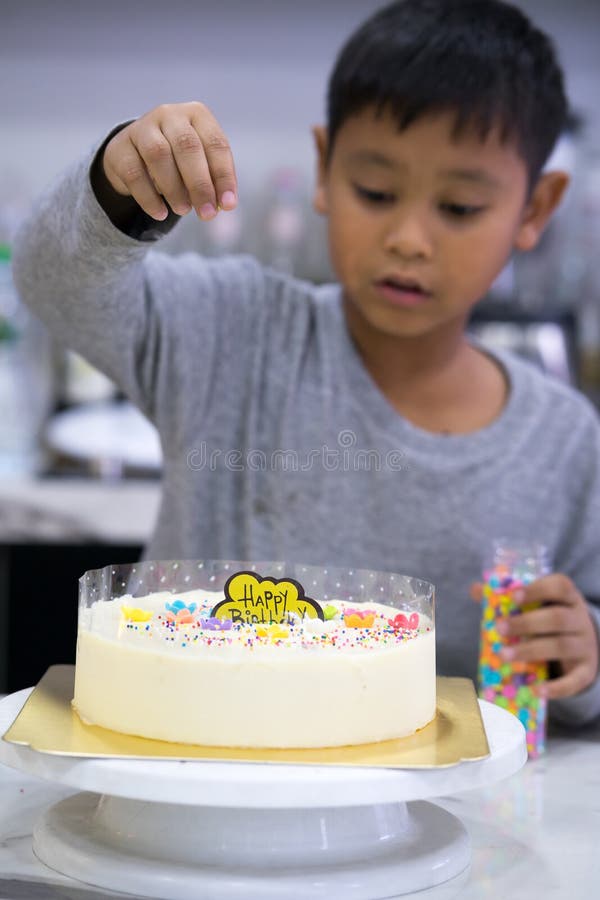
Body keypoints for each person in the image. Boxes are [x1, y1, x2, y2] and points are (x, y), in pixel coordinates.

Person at [12, 0, 600, 725]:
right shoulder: (233, 330)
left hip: (428, 825)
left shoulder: (567, 444)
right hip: (194, 783)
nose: (410, 238)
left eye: (460, 206)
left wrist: (583, 651)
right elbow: (51, 281)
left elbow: (575, 660)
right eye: (377, 193)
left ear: (536, 207)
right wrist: (116, 188)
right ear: (324, 168)